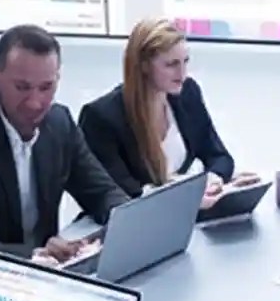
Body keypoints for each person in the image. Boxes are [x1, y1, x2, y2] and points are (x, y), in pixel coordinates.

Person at [0, 24, 129, 278]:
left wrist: (122, 227)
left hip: (51, 278)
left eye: (46, 87)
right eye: (22, 87)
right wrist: (36, 255)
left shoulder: (59, 122)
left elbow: (102, 192)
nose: (35, 102)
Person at [78, 18, 256, 207]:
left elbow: (218, 156)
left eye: (185, 62)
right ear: (144, 65)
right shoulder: (100, 118)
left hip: (189, 216)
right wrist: (188, 200)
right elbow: (122, 195)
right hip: (139, 224)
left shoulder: (187, 93)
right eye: (171, 64)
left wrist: (213, 181)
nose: (182, 74)